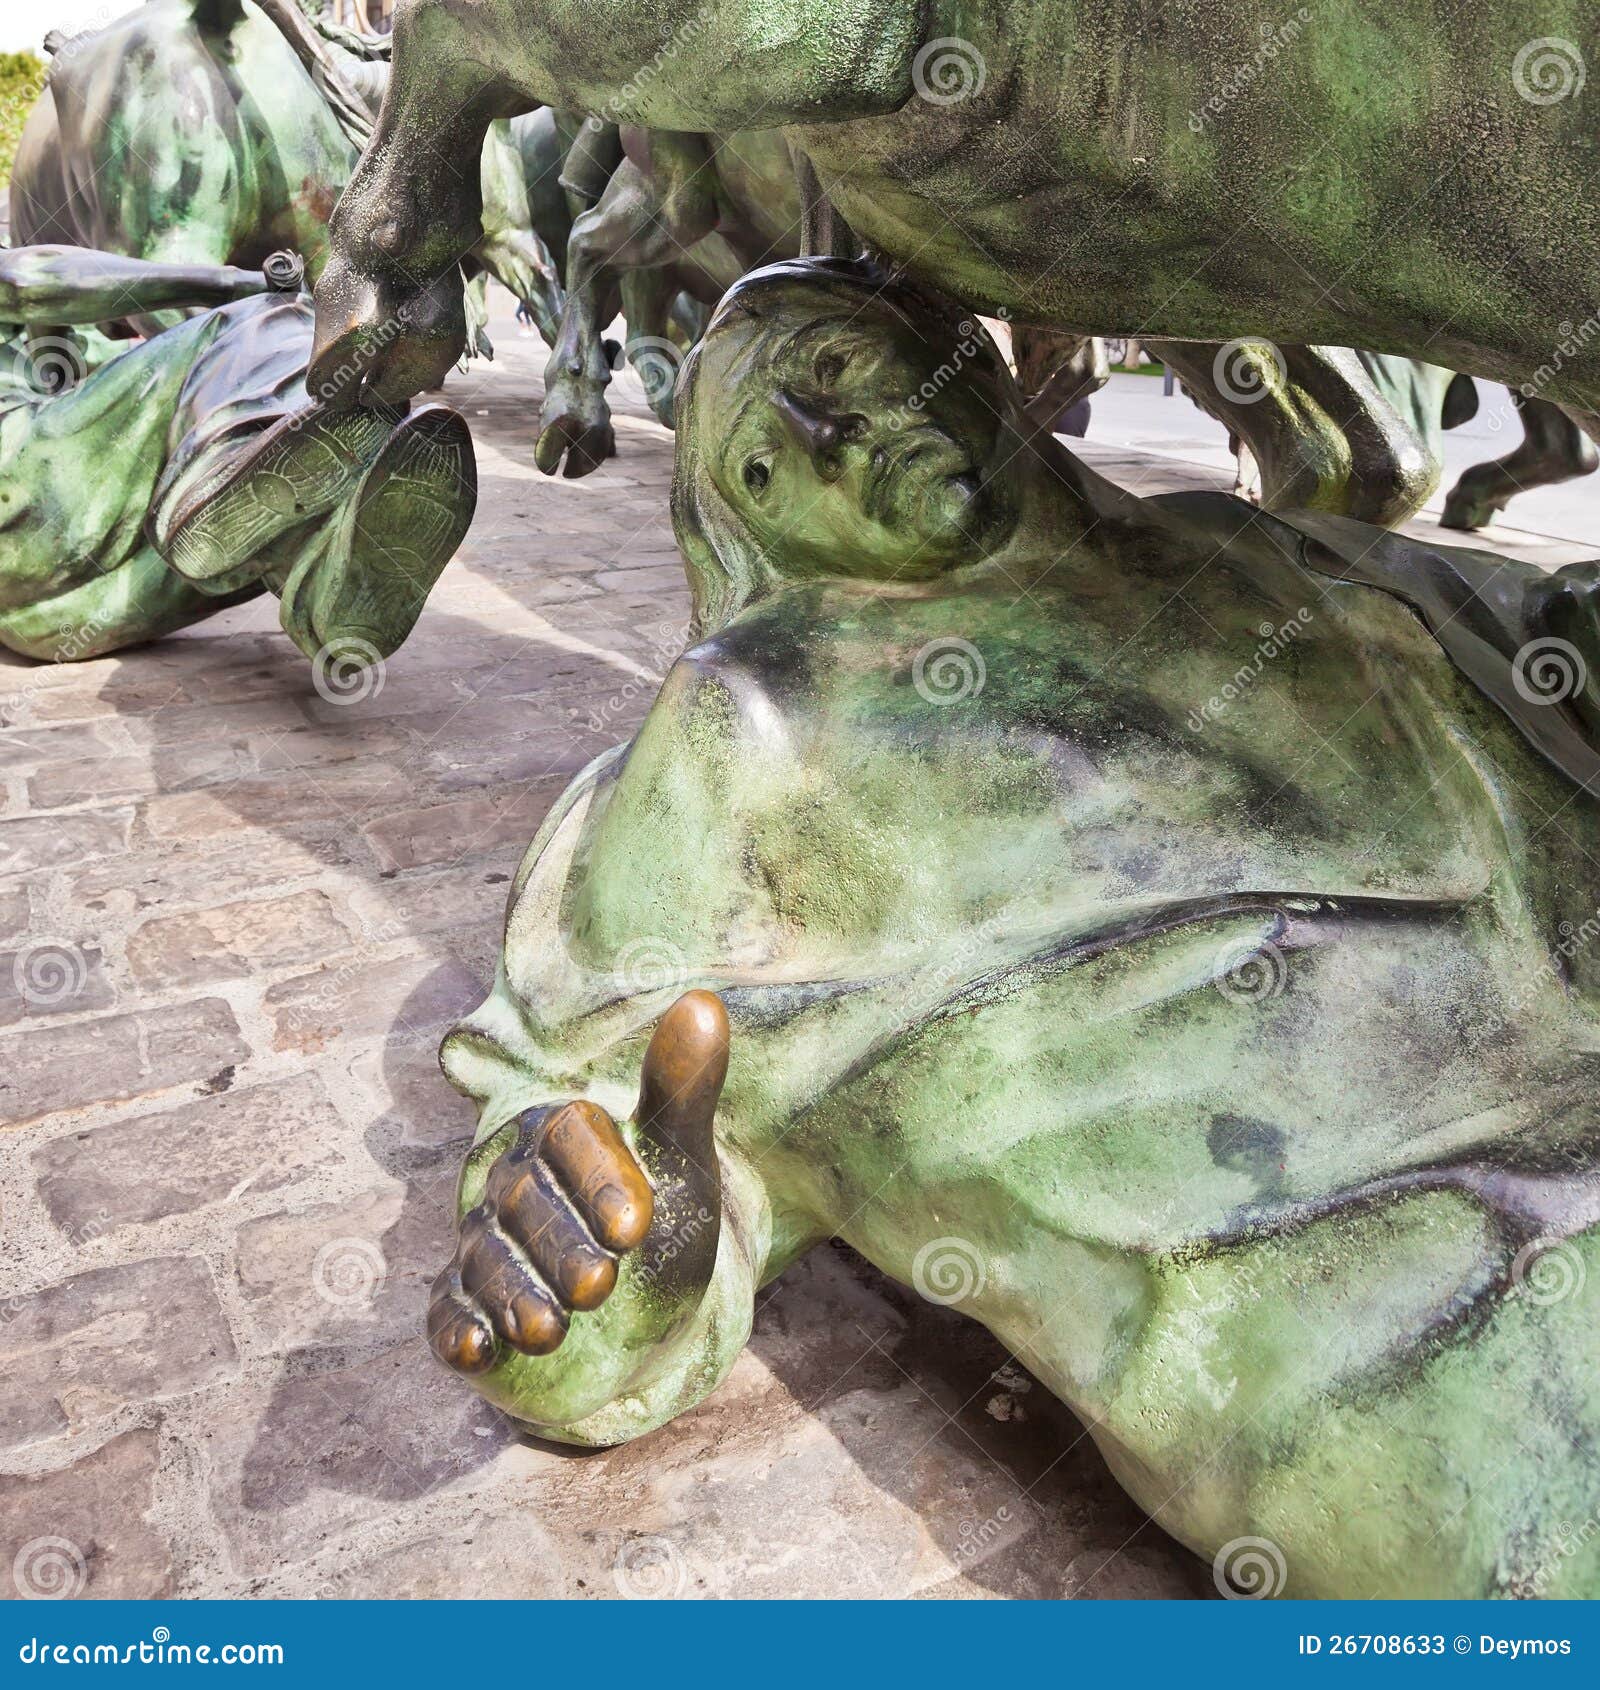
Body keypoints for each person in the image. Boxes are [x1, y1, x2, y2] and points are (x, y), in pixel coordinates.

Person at [428, 259, 1600, 1598]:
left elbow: (1544, 637)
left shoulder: (1250, 549)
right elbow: (587, 1102)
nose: (830, 442)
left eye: (843, 372)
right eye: (763, 468)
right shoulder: (748, 715)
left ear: (966, 358)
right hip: (1427, 1308)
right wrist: (612, 1253)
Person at [0, 244, 474, 666]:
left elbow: (51, 356)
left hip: (47, 610)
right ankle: (261, 462)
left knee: (243, 536)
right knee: (268, 315)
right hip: (37, 497)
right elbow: (27, 278)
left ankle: (324, 574)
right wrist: (235, 284)